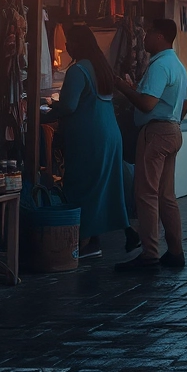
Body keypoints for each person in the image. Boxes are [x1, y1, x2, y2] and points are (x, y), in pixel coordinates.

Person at [113, 18, 187, 272]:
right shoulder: (177, 65)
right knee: (166, 196)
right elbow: (183, 104)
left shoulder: (160, 65)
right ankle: (175, 251)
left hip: (156, 132)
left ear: (159, 36)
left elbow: (146, 104)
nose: (144, 37)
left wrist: (124, 88)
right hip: (172, 130)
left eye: (148, 33)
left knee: (146, 194)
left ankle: (149, 253)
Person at [56, 24, 131, 259]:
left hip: (89, 137)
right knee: (102, 187)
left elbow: (68, 106)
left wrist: (46, 113)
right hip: (110, 134)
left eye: (69, 41)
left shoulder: (78, 70)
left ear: (79, 44)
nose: (66, 46)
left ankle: (82, 241)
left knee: (81, 186)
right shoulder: (102, 67)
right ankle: (97, 240)